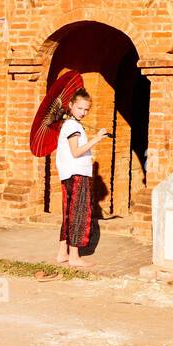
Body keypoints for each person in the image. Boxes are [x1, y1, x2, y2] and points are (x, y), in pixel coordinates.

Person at [55, 90, 111, 267]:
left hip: (69, 174)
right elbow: (76, 152)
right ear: (70, 105)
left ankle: (62, 253)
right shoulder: (73, 127)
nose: (83, 112)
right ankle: (74, 257)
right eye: (79, 108)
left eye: (86, 109)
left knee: (68, 213)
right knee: (79, 213)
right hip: (77, 174)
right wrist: (97, 139)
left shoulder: (71, 124)